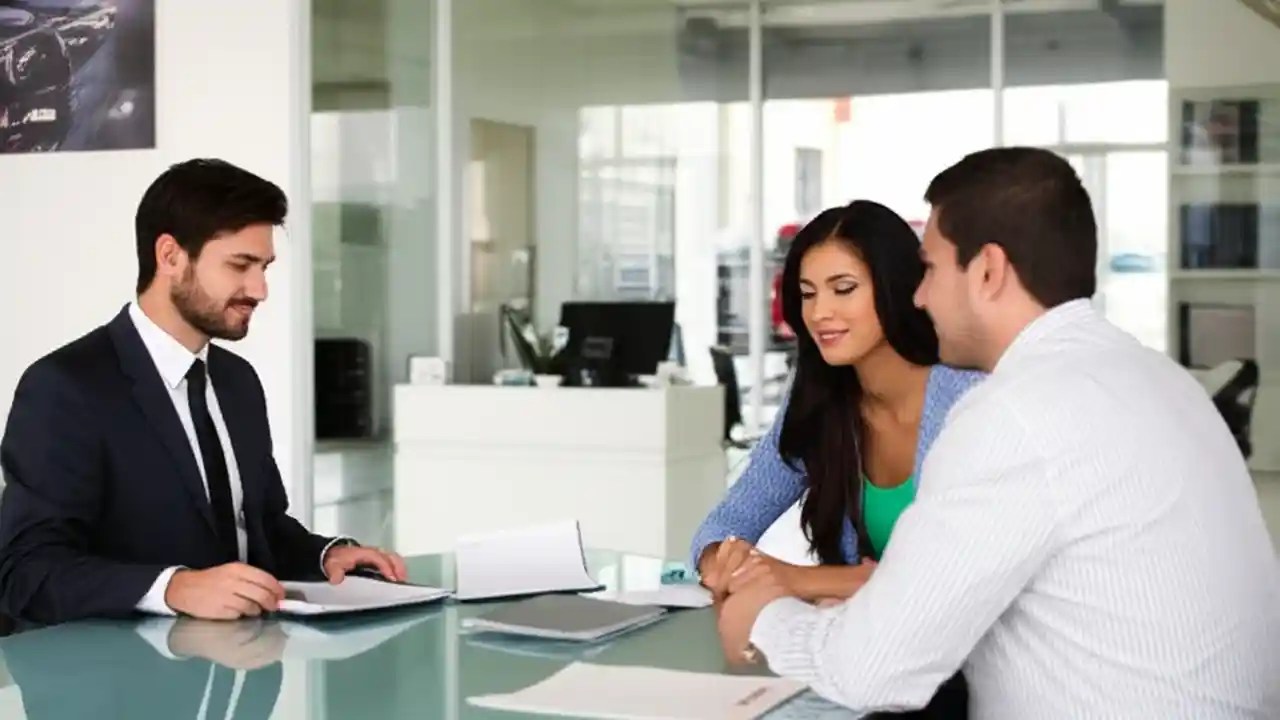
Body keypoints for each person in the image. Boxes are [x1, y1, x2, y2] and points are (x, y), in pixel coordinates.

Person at [716, 147, 1280, 717]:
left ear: (988, 271)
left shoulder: (1015, 413)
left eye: (930, 270)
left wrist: (763, 615)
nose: (917, 296)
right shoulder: (1159, 378)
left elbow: (871, 672)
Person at [0, 158, 407, 627]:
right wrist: (172, 586)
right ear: (170, 256)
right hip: (115, 682)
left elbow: (261, 529)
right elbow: (26, 573)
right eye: (241, 265)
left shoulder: (237, 382)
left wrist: (327, 556)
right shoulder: (65, 387)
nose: (260, 289)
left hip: (232, 671)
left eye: (265, 267)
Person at [692, 200, 982, 596]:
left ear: (895, 287)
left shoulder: (968, 398)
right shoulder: (818, 395)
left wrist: (802, 579)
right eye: (807, 294)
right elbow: (728, 520)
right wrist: (720, 561)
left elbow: (963, 576)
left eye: (843, 289)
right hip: (868, 648)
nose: (819, 312)